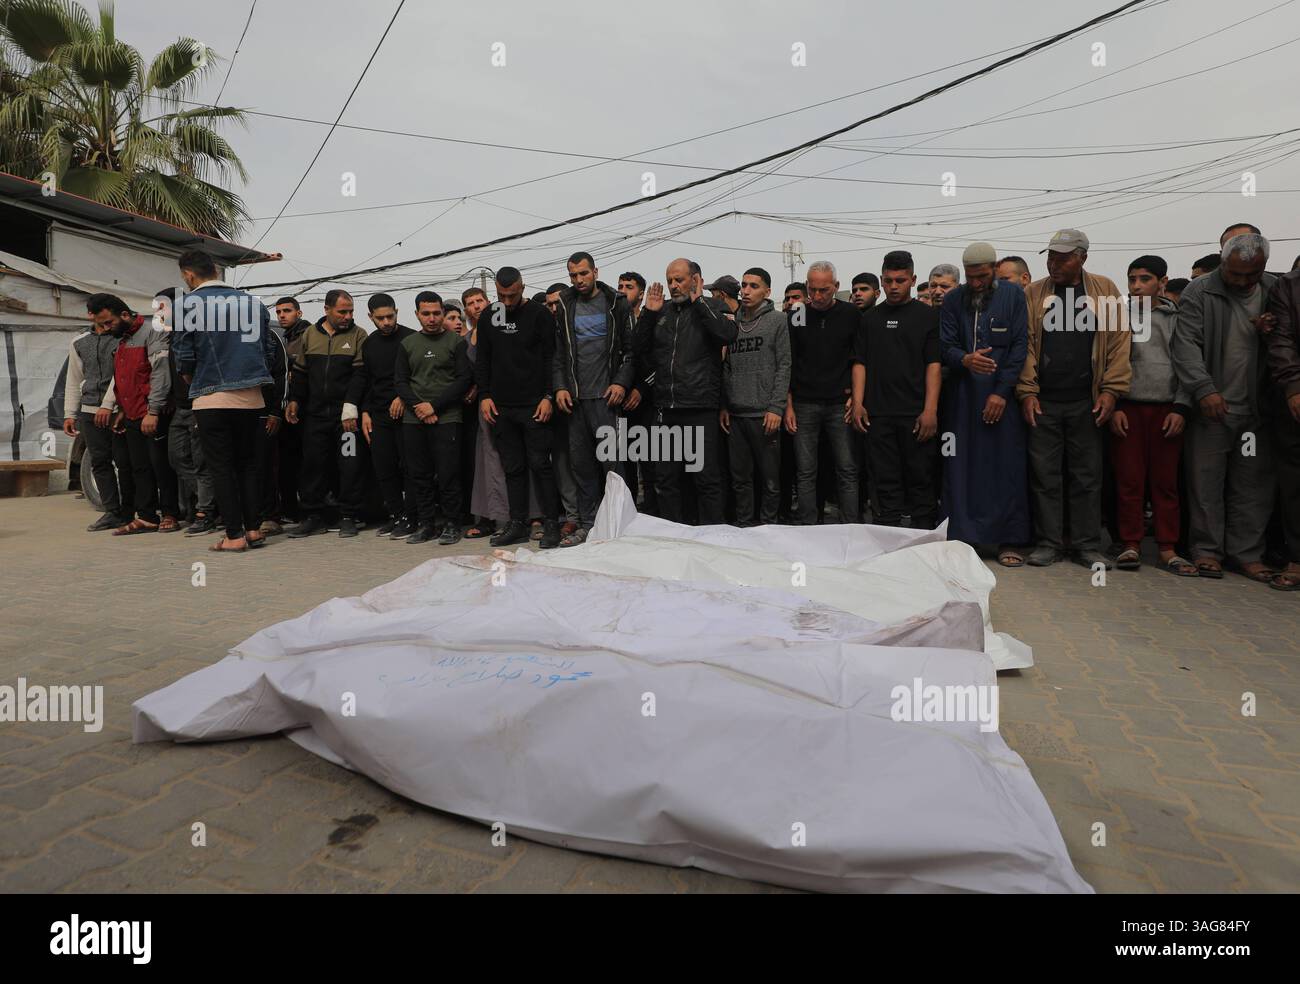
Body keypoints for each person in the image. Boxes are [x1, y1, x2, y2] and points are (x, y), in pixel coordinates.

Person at [1017, 229, 1131, 569]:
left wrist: (1112, 390)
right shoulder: (1033, 292)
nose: (1054, 263)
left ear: (1082, 257)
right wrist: (1027, 392)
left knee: (1087, 475)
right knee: (1045, 475)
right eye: (1051, 256)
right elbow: (1024, 346)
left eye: (1063, 257)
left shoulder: (1104, 289)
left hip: (1087, 399)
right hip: (1045, 401)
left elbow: (1119, 343)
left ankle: (1086, 544)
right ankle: (1048, 543)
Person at [1171, 233, 1280, 582]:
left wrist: (1270, 333)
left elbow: (1289, 343)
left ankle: (1247, 554)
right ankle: (1206, 552)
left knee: (1253, 486)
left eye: (1252, 275)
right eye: (1236, 274)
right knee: (1205, 484)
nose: (1244, 282)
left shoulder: (1275, 290)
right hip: (1212, 408)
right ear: (1223, 262)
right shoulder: (1200, 291)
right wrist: (1204, 389)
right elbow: (1186, 344)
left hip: (1257, 410)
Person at [171, 249, 277, 552]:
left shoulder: (188, 304)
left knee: (221, 468)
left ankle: (233, 536)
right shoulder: (254, 305)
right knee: (248, 466)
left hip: (211, 399)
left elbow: (185, 354)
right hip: (252, 399)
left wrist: (193, 379)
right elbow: (268, 350)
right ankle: (254, 529)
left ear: (189, 275)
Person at [938, 243, 1032, 561]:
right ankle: (966, 538)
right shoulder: (953, 299)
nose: (976, 283)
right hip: (963, 396)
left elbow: (1020, 344)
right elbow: (945, 344)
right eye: (971, 277)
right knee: (963, 466)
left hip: (1001, 396)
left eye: (981, 276)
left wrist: (1001, 392)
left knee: (1005, 466)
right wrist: (965, 359)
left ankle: (1010, 540)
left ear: (993, 268)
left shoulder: (1013, 295)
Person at [1110, 256, 1196, 575]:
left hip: (1167, 408)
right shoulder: (1118, 315)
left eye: (1145, 279)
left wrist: (1181, 407)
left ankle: (1167, 548)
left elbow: (1188, 363)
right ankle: (1130, 544)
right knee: (1129, 480)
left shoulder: (1178, 319)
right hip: (1128, 406)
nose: (1136, 286)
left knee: (1165, 482)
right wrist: (1115, 404)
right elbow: (1108, 362)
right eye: (1132, 279)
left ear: (1162, 282)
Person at [637, 257, 738, 524]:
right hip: (665, 409)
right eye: (670, 280)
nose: (673, 285)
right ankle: (674, 537)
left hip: (700, 408)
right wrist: (648, 313)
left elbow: (727, 334)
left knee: (706, 478)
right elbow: (637, 348)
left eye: (679, 279)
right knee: (666, 479)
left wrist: (699, 302)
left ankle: (712, 535)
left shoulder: (714, 305)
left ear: (695, 280)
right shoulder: (662, 310)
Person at [851, 250, 940, 529]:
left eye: (900, 280)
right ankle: (888, 538)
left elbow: (934, 366)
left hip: (915, 413)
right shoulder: (869, 319)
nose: (893, 286)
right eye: (888, 280)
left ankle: (924, 537)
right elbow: (859, 363)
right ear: (881, 279)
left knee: (921, 479)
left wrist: (930, 410)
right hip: (877, 414)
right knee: (885, 480)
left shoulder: (928, 316)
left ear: (913, 280)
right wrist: (857, 402)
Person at [552, 252, 637, 546]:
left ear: (595, 272)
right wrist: (561, 387)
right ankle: (588, 526)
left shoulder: (616, 303)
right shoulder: (564, 304)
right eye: (573, 275)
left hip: (606, 400)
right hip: (576, 401)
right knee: (583, 466)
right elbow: (559, 354)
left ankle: (621, 527)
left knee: (613, 466)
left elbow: (630, 351)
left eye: (584, 274)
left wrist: (620, 383)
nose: (579, 280)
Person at [476, 266, 561, 548]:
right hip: (501, 406)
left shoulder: (539, 315)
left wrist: (548, 396)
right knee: (512, 468)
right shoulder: (490, 315)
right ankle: (517, 524)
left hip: (535, 405)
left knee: (540, 465)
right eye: (502, 295)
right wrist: (485, 396)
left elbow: (552, 358)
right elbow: (483, 359)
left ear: (522, 288)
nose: (508, 302)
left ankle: (551, 523)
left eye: (512, 296)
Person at [86, 294, 179, 535]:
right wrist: (119, 410)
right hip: (131, 414)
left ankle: (170, 513)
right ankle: (147, 517)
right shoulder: (122, 341)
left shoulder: (152, 333)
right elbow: (122, 378)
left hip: (151, 413)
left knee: (161, 465)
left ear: (125, 315)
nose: (106, 329)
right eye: (102, 325)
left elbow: (159, 374)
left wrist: (153, 410)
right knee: (140, 468)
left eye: (108, 323)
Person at [285, 289, 368, 538]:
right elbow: (300, 373)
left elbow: (360, 376)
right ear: (327, 310)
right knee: (313, 464)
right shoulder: (310, 334)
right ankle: (312, 516)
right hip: (316, 416)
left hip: (346, 419)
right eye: (342, 311)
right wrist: (294, 400)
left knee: (350, 464)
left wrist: (351, 407)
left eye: (350, 311)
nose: (347, 316)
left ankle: (348, 515)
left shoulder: (358, 335)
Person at [785, 260, 859, 525]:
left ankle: (850, 526)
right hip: (804, 402)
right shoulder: (798, 314)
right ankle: (808, 527)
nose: (817, 296)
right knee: (805, 471)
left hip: (841, 402)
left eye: (824, 290)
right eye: (812, 289)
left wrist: (855, 398)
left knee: (847, 469)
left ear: (836, 287)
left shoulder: (851, 314)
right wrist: (789, 404)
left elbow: (858, 360)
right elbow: (788, 362)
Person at [395, 290, 472, 545]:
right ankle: (426, 524)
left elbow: (463, 379)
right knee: (419, 474)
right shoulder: (407, 344)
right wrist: (419, 406)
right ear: (417, 314)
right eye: (426, 313)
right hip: (413, 419)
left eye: (436, 313)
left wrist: (434, 407)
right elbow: (401, 382)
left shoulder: (456, 342)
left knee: (449, 474)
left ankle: (452, 524)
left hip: (448, 417)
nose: (432, 318)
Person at [721, 267, 790, 526]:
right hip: (736, 414)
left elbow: (785, 365)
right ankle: (745, 527)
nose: (746, 291)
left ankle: (769, 528)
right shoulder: (732, 323)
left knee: (770, 480)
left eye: (753, 286)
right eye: (744, 285)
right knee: (740, 480)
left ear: (767, 291)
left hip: (764, 414)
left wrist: (776, 407)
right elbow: (726, 365)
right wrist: (725, 405)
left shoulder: (778, 321)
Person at [351, 292, 416, 537]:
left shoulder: (411, 338)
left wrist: (403, 396)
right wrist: (365, 411)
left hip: (407, 413)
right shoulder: (369, 344)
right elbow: (367, 380)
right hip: (378, 415)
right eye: (380, 318)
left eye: (390, 316)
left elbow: (418, 376)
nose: (386, 322)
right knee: (384, 468)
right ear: (371, 317)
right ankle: (396, 515)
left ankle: (412, 516)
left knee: (410, 468)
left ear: (397, 312)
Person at [153, 288, 217, 536]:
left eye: (162, 308)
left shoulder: (200, 334)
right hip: (180, 408)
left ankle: (207, 513)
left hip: (200, 406)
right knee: (177, 459)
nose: (158, 314)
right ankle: (212, 504)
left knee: (203, 464)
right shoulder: (169, 337)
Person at [62, 306, 127, 531]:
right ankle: (112, 512)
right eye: (99, 315)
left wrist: (108, 405)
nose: (105, 320)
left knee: (125, 461)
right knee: (99, 461)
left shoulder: (121, 339)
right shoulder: (79, 342)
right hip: (89, 410)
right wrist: (70, 414)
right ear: (91, 315)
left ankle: (132, 510)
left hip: (119, 409)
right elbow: (74, 379)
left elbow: (121, 375)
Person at [1265, 262, 1300, 590]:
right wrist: (1293, 387)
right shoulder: (1288, 286)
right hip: (1295, 397)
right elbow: (1282, 340)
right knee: (1293, 482)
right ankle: (1297, 559)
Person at [543, 281, 581, 539]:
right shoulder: (542, 328)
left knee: (587, 462)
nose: (554, 307)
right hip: (555, 405)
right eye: (550, 304)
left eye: (558, 302)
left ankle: (594, 514)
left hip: (586, 401)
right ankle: (572, 517)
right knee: (562, 464)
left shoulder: (581, 323)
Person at [270, 297, 311, 523]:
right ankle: (291, 510)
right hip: (287, 407)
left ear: (299, 312)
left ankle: (302, 510)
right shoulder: (283, 338)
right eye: (279, 312)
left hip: (304, 408)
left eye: (287, 311)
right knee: (287, 463)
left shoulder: (307, 335)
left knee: (301, 462)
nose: (282, 315)